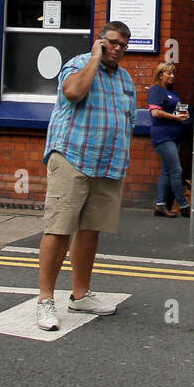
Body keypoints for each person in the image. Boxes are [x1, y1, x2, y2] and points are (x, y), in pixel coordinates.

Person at [36, 22, 136, 331]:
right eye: (112, 43)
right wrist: (95, 57)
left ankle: (80, 295)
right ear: (100, 42)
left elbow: (128, 119)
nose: (118, 48)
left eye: (123, 45)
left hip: (107, 163)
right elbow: (74, 92)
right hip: (72, 157)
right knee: (59, 229)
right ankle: (45, 300)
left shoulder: (125, 79)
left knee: (91, 229)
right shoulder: (78, 64)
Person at [147, 62, 190, 218]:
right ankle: (184, 206)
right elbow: (156, 113)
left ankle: (160, 205)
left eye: (173, 73)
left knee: (166, 171)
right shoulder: (156, 90)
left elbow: (174, 111)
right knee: (176, 170)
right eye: (168, 73)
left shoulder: (170, 91)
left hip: (174, 135)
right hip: (163, 136)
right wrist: (175, 117)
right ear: (160, 74)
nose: (172, 76)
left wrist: (182, 116)